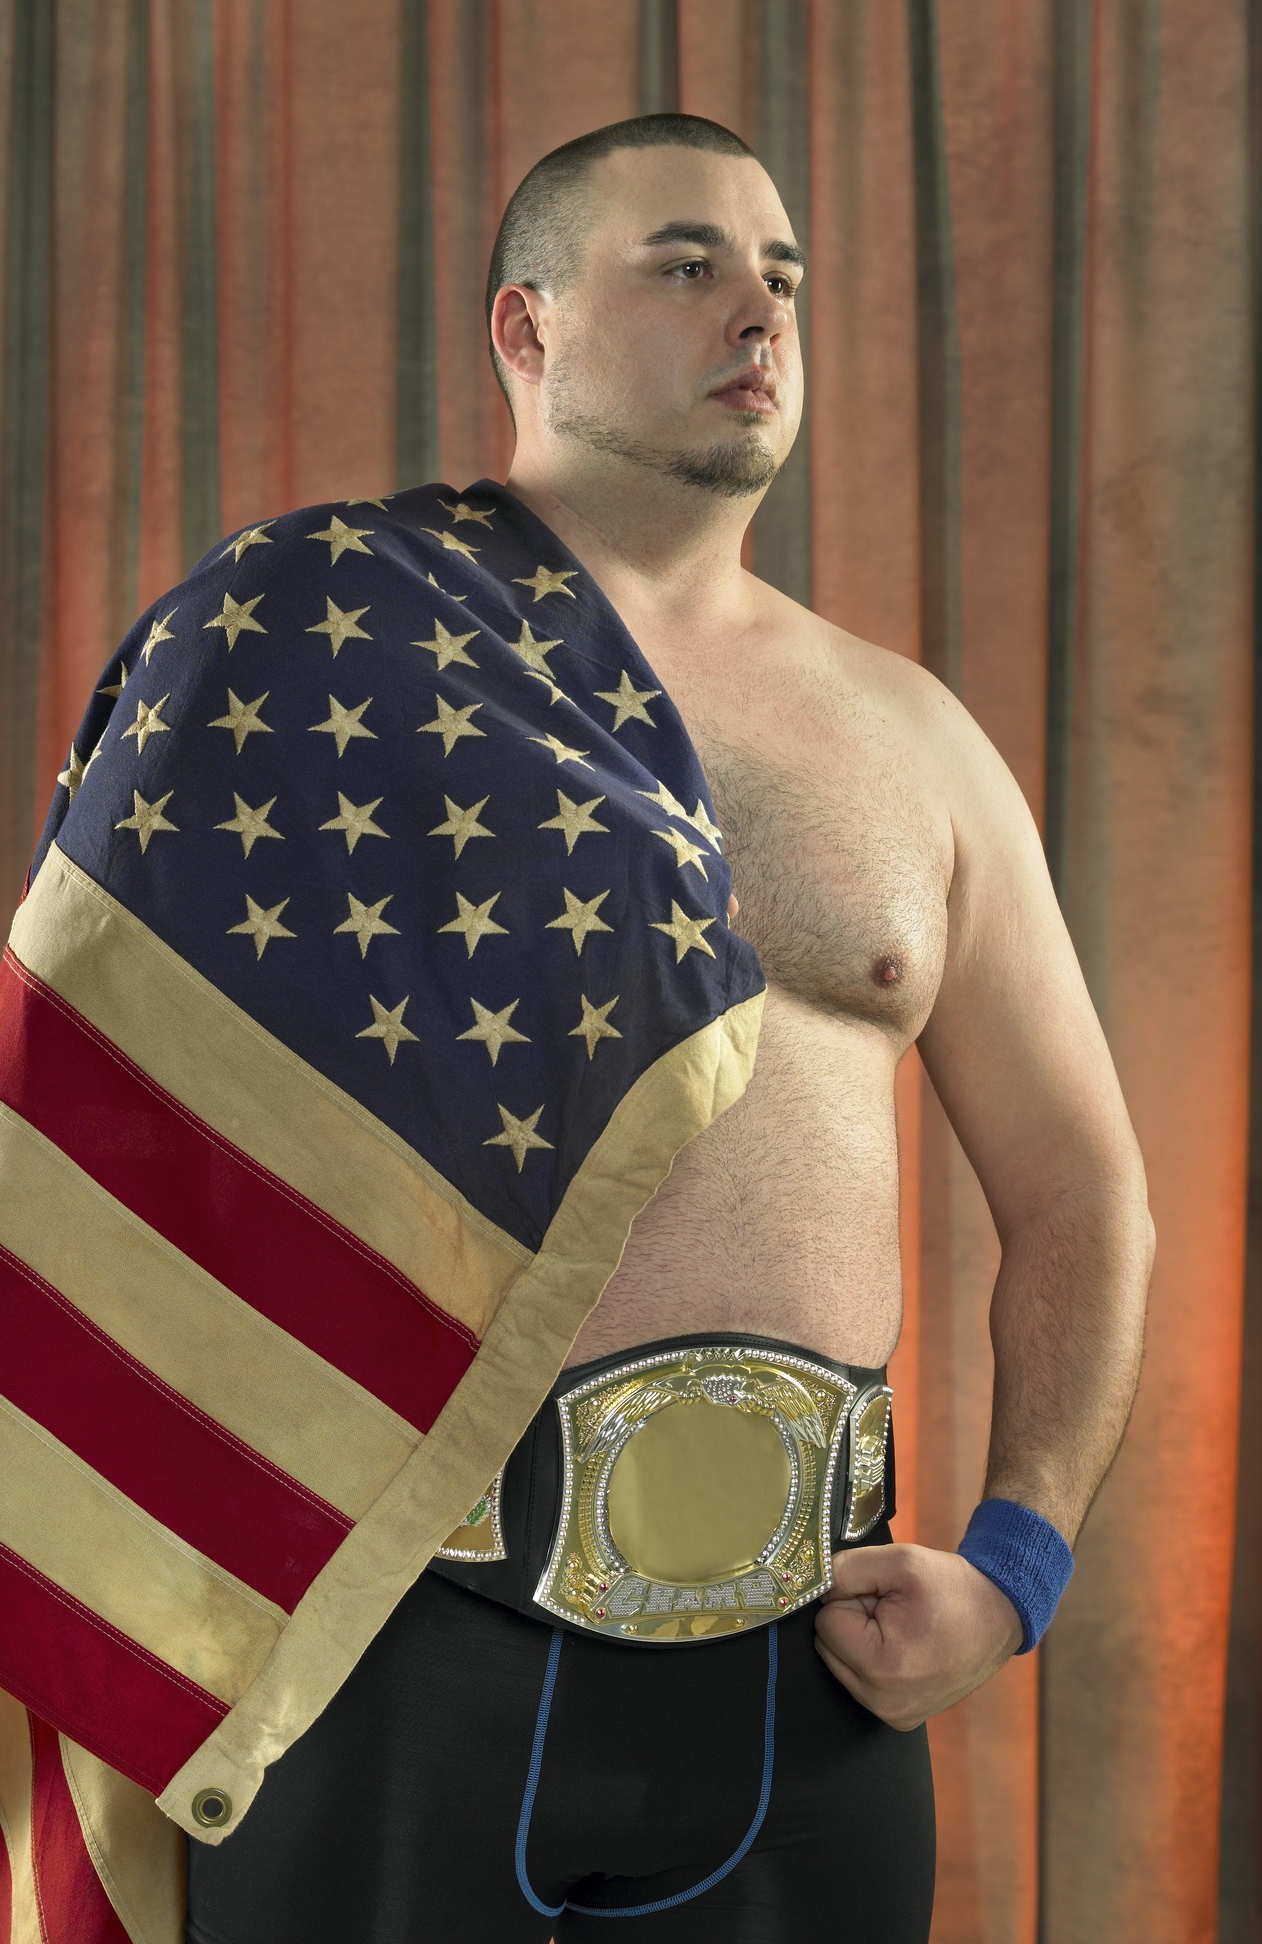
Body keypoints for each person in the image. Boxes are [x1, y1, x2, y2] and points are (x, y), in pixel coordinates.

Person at [184, 113, 1154, 1942]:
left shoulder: (911, 735)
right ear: (524, 331)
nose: (759, 314)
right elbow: (119, 1105)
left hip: (809, 1691)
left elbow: (1084, 1190)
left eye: (781, 275)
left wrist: (1015, 1566)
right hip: (385, 1644)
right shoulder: (326, 654)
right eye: (687, 262)